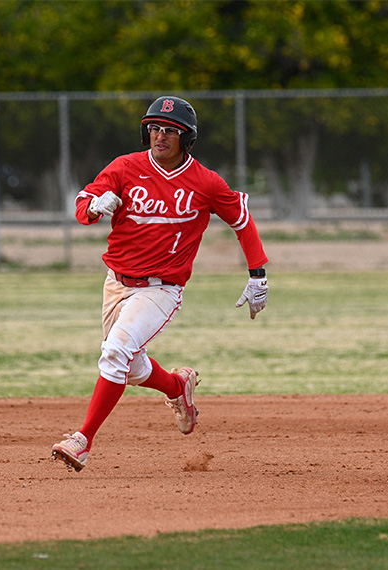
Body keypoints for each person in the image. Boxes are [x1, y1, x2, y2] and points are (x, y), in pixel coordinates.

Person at [51, 95, 269, 472]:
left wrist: (258, 274)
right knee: (131, 368)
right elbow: (83, 203)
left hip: (161, 288)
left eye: (171, 131)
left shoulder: (205, 182)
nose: (160, 136)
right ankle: (176, 387)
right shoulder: (125, 167)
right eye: (154, 128)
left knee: (115, 352)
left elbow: (242, 221)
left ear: (187, 139)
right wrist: (93, 207)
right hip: (116, 283)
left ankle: (82, 441)